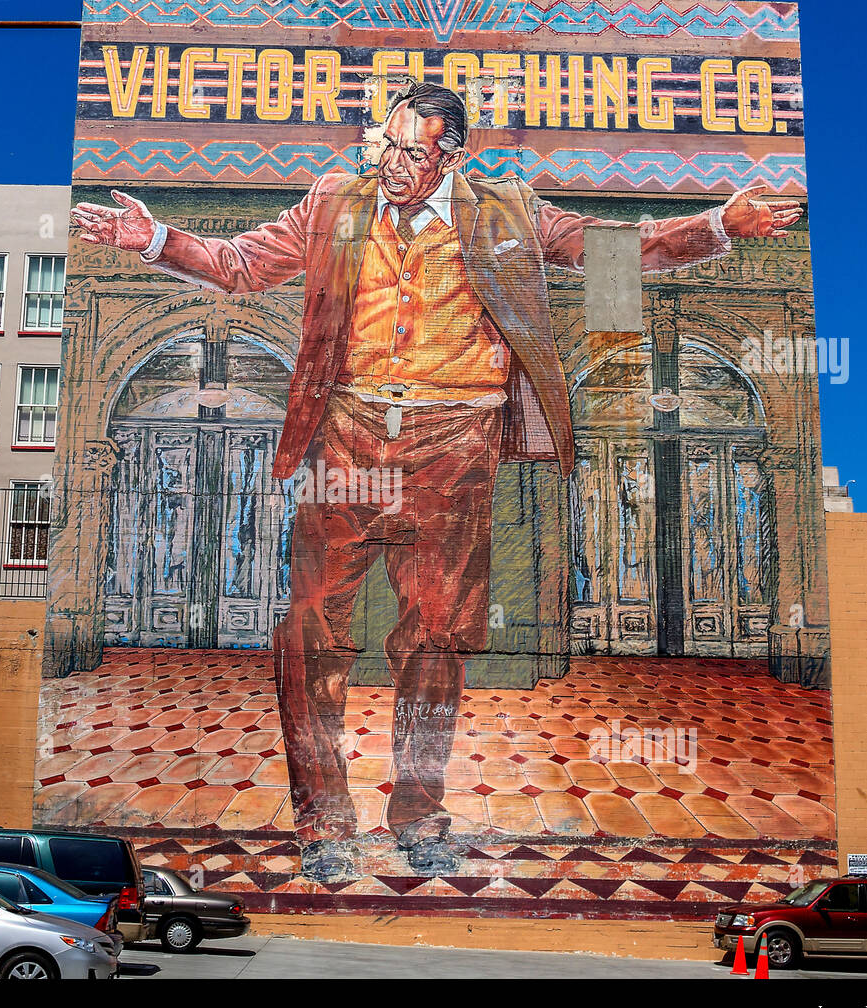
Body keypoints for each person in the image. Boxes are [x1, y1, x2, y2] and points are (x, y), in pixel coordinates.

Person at [71, 81, 802, 881]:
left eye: (411, 152)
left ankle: (418, 815)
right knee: (311, 633)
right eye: (384, 145)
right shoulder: (333, 200)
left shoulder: (507, 207)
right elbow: (242, 266)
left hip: (456, 446)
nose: (390, 163)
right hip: (345, 437)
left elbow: (609, 257)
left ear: (452, 153)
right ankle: (323, 824)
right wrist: (152, 240)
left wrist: (715, 228)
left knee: (435, 640)